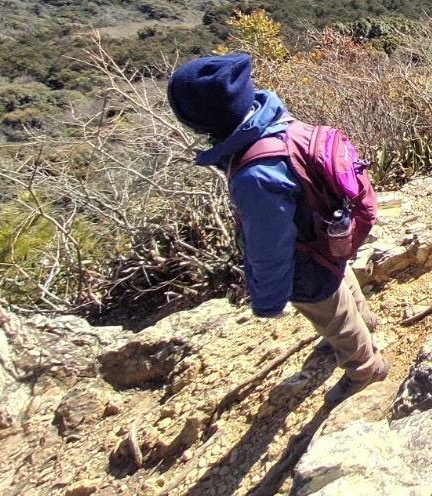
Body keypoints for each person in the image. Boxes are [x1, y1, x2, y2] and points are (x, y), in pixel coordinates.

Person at [167, 52, 389, 394]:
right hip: (327, 233)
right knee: (340, 279)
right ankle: (367, 321)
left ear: (201, 123)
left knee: (331, 314)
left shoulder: (254, 176)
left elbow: (269, 248)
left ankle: (365, 368)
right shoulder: (279, 122)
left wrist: (268, 299)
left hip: (305, 255)